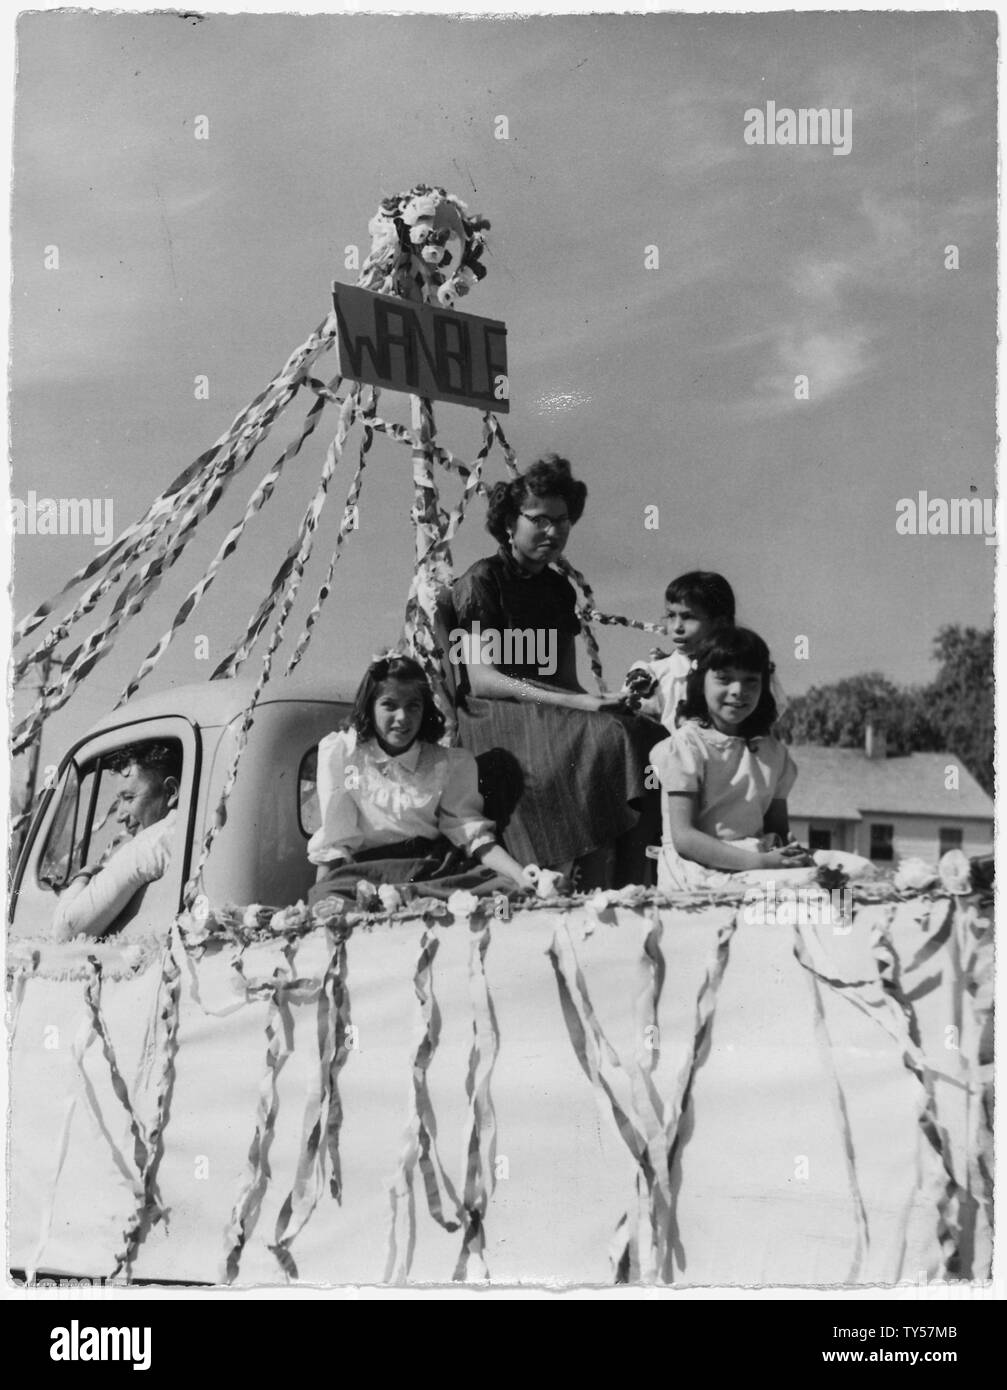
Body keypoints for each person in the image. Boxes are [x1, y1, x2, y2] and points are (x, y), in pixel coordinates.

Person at [443, 453, 663, 887]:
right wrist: (576, 703)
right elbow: (483, 680)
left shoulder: (558, 589)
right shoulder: (483, 580)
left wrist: (600, 701)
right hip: (492, 715)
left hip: (544, 711)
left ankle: (635, 875)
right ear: (510, 522)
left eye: (562, 520)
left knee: (647, 733)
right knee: (609, 738)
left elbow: (566, 679)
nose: (553, 530)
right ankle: (585, 870)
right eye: (539, 519)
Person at [307, 653, 539, 903]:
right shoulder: (346, 755)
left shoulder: (447, 763)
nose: (402, 718)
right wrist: (319, 901)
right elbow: (335, 838)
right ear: (370, 705)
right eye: (389, 705)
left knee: (503, 895)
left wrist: (519, 874)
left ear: (425, 709)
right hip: (368, 874)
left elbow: (471, 834)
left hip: (433, 871)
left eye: (413, 706)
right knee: (325, 900)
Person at [649, 627, 813, 891]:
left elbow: (778, 830)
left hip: (758, 860)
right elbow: (685, 839)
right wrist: (761, 863)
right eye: (724, 679)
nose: (738, 690)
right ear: (701, 682)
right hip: (698, 870)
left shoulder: (772, 754)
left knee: (843, 870)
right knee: (806, 888)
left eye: (751, 681)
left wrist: (787, 852)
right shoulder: (687, 747)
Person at [51, 742, 181, 942]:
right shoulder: (184, 830)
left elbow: (64, 931)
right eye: (118, 801)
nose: (119, 815)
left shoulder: (150, 845)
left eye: (129, 798)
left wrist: (84, 874)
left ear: (171, 792)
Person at [623, 571, 735, 731]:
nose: (676, 627)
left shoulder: (742, 675)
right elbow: (634, 737)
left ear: (719, 622)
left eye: (688, 617)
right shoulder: (653, 676)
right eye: (670, 616)